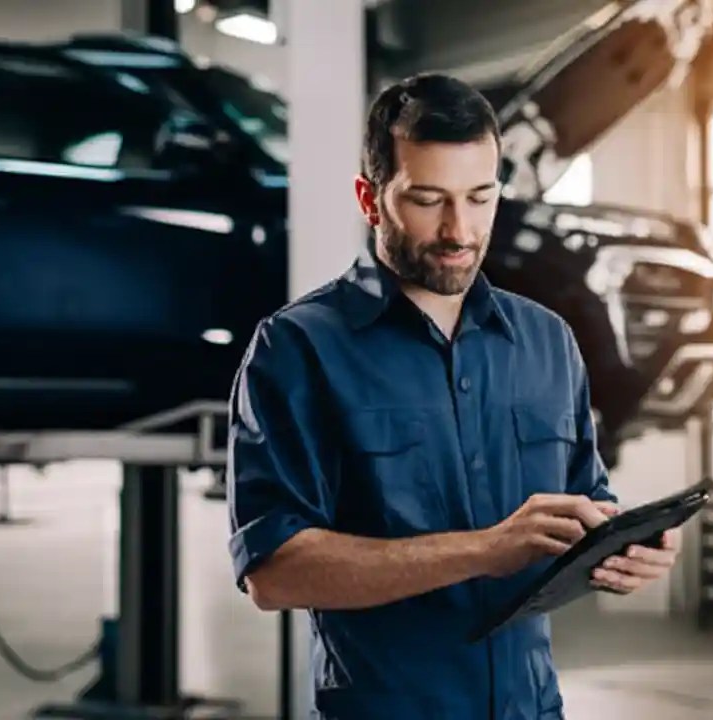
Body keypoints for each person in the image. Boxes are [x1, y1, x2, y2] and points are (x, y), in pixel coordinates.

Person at [226, 73, 680, 719]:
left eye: (479, 197)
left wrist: (624, 544)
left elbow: (585, 501)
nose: (458, 229)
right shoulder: (296, 349)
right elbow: (273, 573)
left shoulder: (548, 341)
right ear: (369, 198)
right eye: (428, 199)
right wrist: (486, 549)